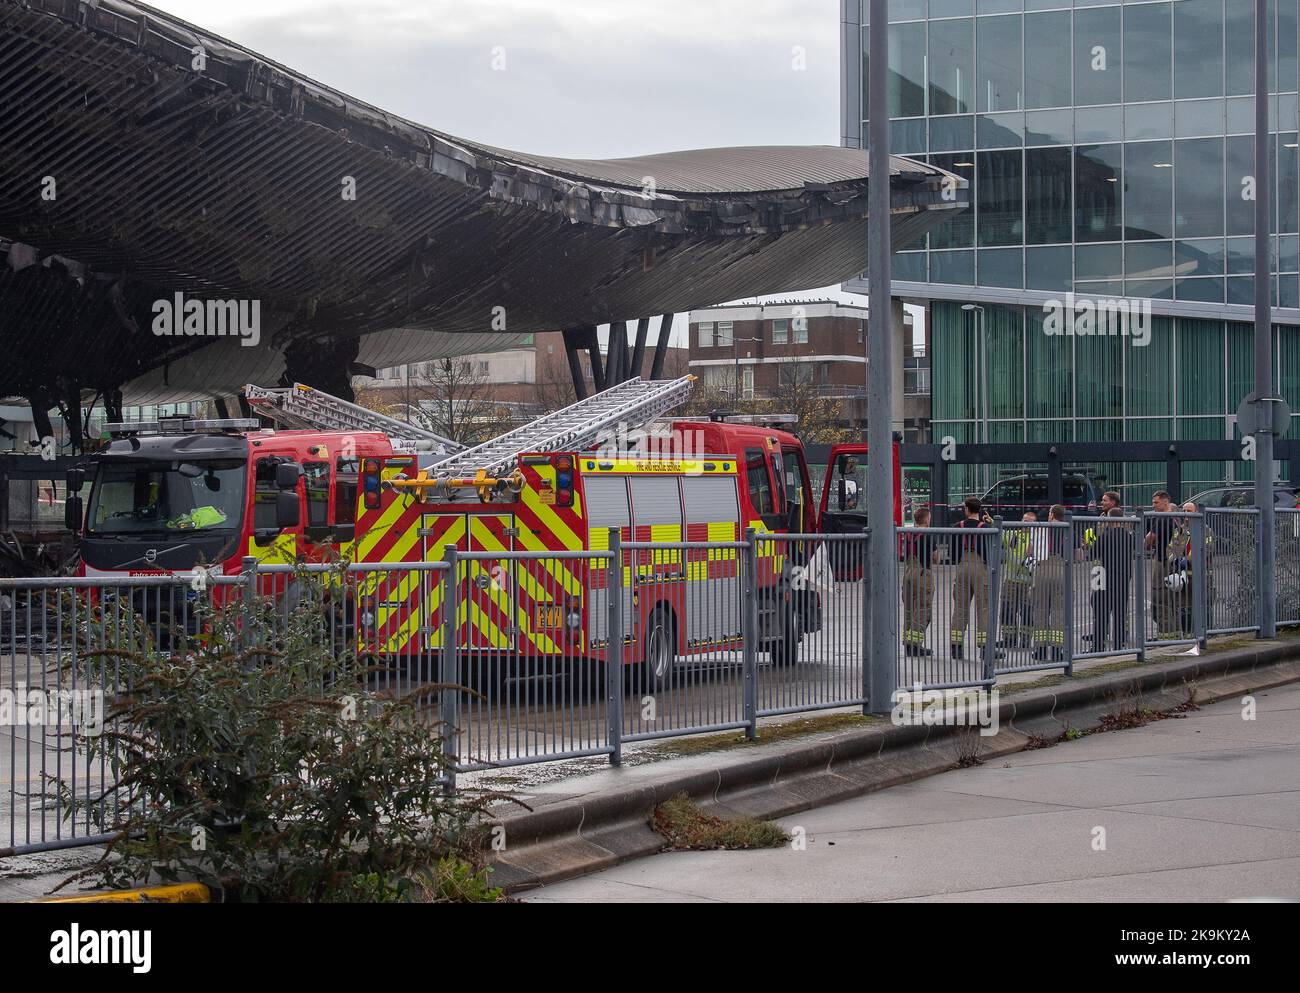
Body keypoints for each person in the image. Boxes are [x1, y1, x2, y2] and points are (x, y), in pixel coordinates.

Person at [949, 497, 997, 661]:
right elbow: (991, 550)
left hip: (962, 567)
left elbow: (952, 554)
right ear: (979, 509)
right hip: (980, 568)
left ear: (966, 509)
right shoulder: (986, 528)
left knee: (960, 609)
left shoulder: (957, 527)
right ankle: (984, 649)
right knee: (983, 609)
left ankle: (956, 648)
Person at [1089, 506, 1134, 651]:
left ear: (1110, 518)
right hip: (1124, 577)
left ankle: (1098, 645)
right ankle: (1119, 644)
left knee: (1101, 610)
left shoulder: (1105, 536)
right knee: (1120, 611)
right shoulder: (1129, 537)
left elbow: (1092, 554)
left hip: (1104, 576)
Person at [1031, 504, 1068, 661]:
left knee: (1041, 610)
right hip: (1061, 569)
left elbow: (1029, 551)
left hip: (1043, 569)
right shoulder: (1068, 528)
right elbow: (1078, 555)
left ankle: (1040, 650)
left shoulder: (1042, 529)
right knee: (1059, 612)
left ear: (1052, 514)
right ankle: (1057, 650)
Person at [901, 506, 936, 657]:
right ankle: (915, 645)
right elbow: (935, 557)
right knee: (922, 610)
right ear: (927, 520)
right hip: (922, 574)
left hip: (908, 572)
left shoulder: (908, 534)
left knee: (909, 610)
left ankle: (908, 645)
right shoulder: (928, 534)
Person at [1145, 490, 1179, 638]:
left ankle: (1166, 634)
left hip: (1163, 560)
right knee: (1173, 599)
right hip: (1174, 561)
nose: (1153, 505)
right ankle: (1175, 632)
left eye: (1156, 502)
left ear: (1166, 502)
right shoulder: (1177, 517)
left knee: (1159, 598)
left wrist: (1145, 544)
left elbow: (1150, 538)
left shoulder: (1163, 518)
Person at [1000, 511, 1036, 649]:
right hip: (1010, 581)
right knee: (1006, 610)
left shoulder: (1036, 539)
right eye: (1024, 520)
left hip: (1029, 582)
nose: (1025, 524)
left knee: (1027, 612)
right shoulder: (1012, 535)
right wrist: (991, 521)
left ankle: (1026, 641)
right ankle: (1009, 639)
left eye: (1029, 522)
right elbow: (999, 532)